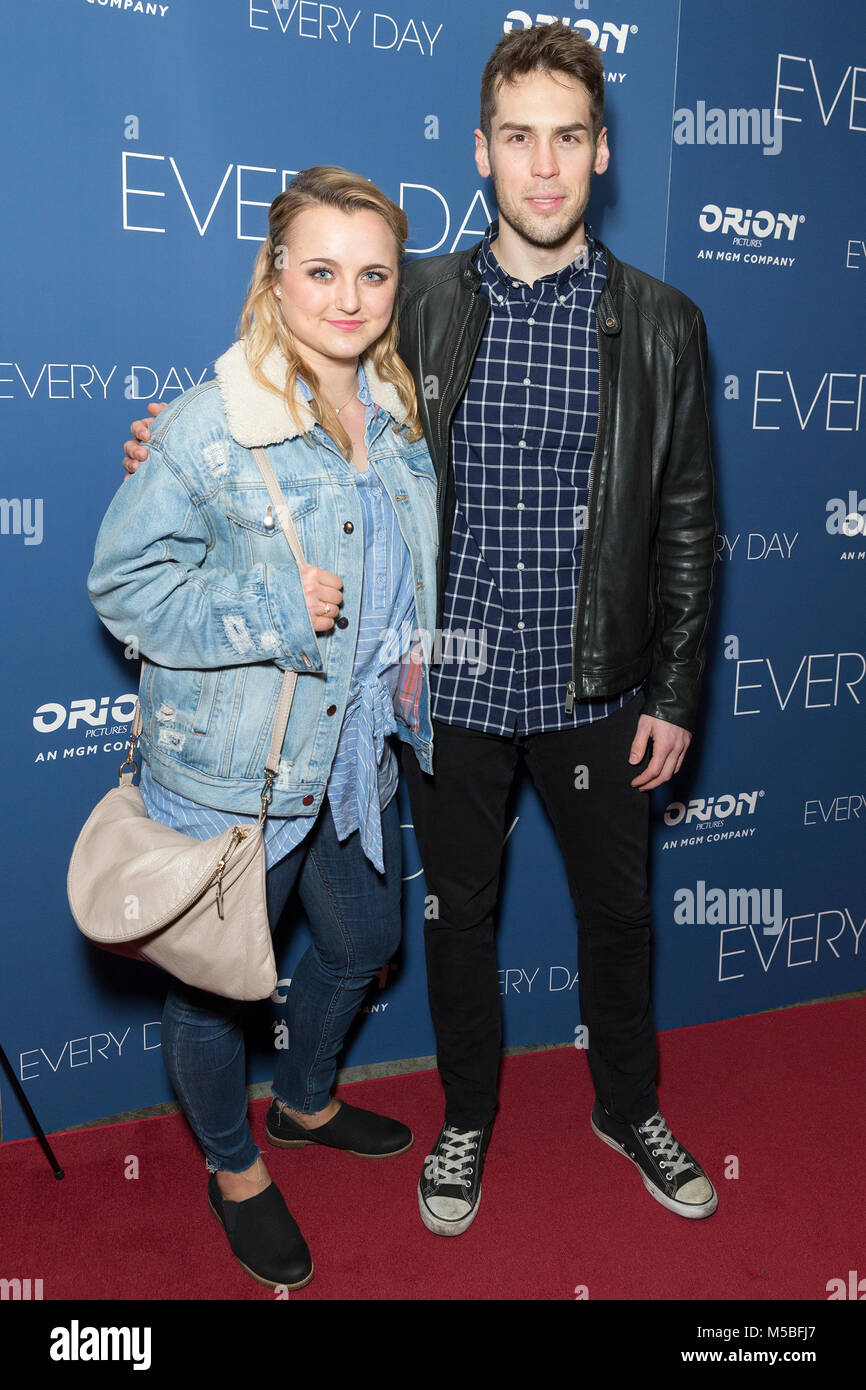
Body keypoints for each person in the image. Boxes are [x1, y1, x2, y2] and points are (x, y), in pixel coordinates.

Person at [123, 23, 718, 1242]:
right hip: (443, 689)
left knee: (617, 921)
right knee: (453, 921)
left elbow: (687, 516)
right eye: (517, 138)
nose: (542, 167)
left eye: (566, 137)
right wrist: (177, 447)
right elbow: (293, 365)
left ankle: (628, 1104)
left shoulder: (664, 322)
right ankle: (465, 1118)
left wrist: (675, 686)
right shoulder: (416, 298)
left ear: (601, 151)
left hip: (597, 684)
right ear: (483, 154)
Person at [90, 166, 439, 1290]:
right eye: (321, 269)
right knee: (215, 988)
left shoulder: (394, 417)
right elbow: (124, 587)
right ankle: (234, 1168)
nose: (348, 296)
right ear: (275, 276)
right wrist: (274, 607)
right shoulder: (210, 426)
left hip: (352, 763)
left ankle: (300, 1103)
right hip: (238, 771)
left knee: (361, 945)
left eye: (372, 271)